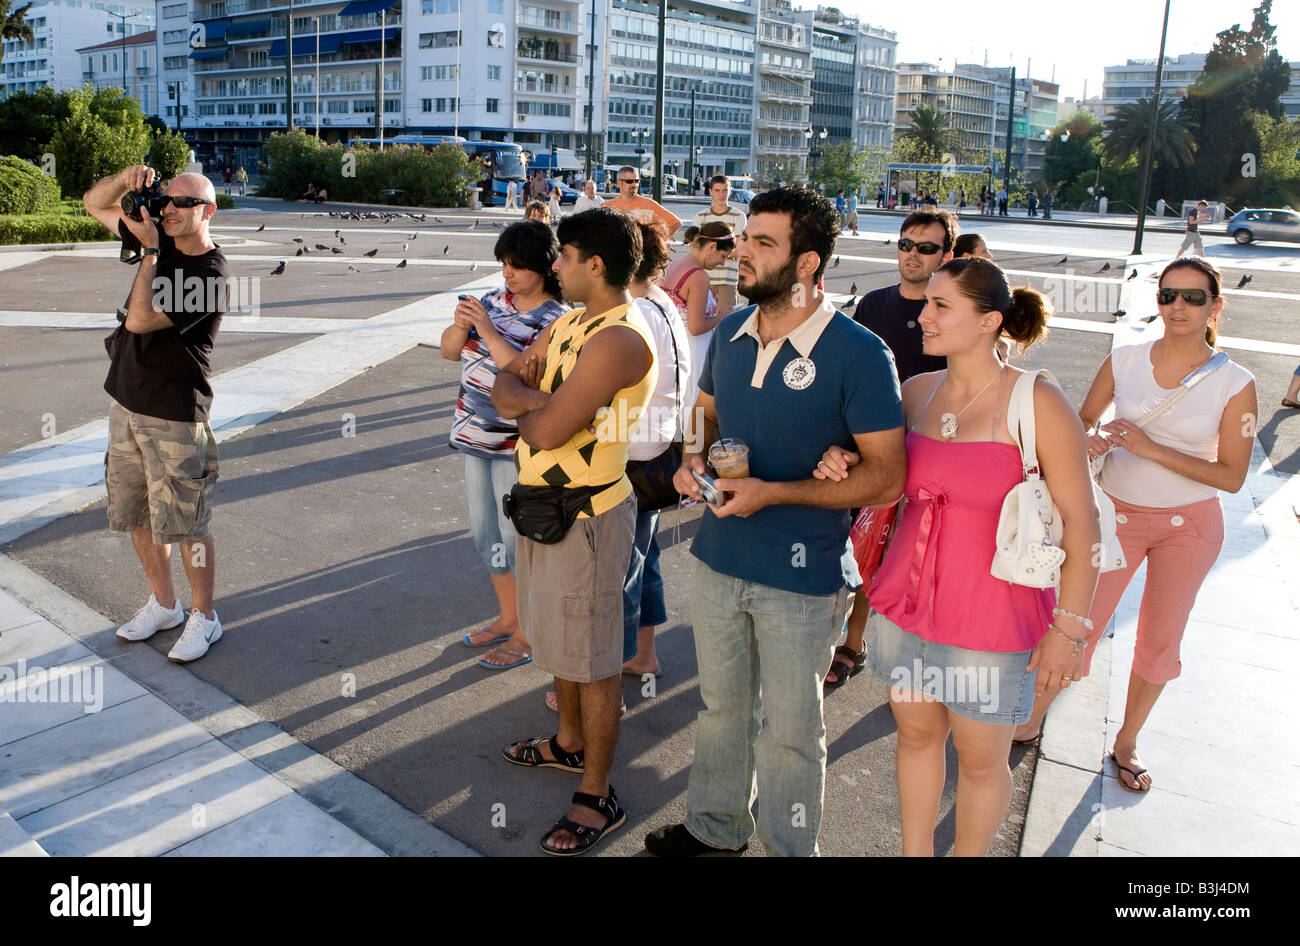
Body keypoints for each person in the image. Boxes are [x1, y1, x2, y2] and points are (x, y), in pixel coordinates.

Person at [643, 188, 907, 857]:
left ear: (808, 262)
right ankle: (715, 830)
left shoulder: (859, 353)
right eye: (744, 238)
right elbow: (704, 412)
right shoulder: (732, 334)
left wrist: (773, 493)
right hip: (719, 559)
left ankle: (791, 850)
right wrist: (692, 460)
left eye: (763, 243)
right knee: (722, 711)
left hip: (805, 576)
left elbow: (889, 476)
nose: (742, 252)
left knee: (790, 730)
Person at [818, 256, 1100, 856]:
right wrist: (844, 462)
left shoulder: (1036, 401)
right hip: (907, 607)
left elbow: (1083, 521)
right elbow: (886, 483)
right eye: (927, 303)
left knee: (979, 762)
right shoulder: (917, 391)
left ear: (989, 321)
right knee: (916, 739)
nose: (924, 315)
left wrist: (1069, 631)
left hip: (992, 619)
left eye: (942, 306)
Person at [1013, 258, 1257, 793]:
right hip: (1114, 514)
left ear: (1217, 307)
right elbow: (1076, 423)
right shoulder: (1124, 360)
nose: (1179, 307)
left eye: (1194, 298)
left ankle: (1126, 741)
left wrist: (1150, 448)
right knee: (1079, 621)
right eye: (1169, 295)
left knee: (1159, 638)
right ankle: (1031, 717)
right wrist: (1092, 441)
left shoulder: (1235, 382)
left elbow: (1233, 476)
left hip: (1190, 527)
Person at [494, 208, 655, 855]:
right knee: (557, 640)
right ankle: (566, 744)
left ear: (596, 264)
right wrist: (543, 404)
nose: (553, 264)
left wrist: (538, 408)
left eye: (563, 256)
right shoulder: (568, 324)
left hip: (587, 515)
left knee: (592, 661)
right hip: (543, 507)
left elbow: (544, 428)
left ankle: (596, 795)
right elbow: (505, 392)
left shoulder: (620, 338)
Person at [83, 165, 227, 662]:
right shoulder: (158, 238)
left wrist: (148, 252)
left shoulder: (210, 276)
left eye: (183, 203)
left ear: (207, 211)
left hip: (173, 415)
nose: (169, 209)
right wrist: (125, 179)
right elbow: (94, 204)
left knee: (188, 523)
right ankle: (165, 605)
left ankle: (204, 617)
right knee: (137, 515)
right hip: (126, 401)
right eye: (167, 199)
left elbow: (142, 320)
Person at [831, 209, 954, 688]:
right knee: (852, 543)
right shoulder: (875, 304)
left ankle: (855, 643)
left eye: (926, 248)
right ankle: (832, 637)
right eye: (906, 244)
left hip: (927, 452)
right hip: (863, 446)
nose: (913, 255)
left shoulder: (952, 313)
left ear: (946, 256)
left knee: (896, 554)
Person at [441, 221, 568, 672]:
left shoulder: (558, 318)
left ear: (545, 267)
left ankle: (528, 633)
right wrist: (461, 326)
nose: (507, 274)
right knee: (484, 535)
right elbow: (449, 352)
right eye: (504, 265)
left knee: (518, 541)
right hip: (473, 434)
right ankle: (509, 617)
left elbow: (522, 368)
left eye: (517, 266)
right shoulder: (492, 301)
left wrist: (487, 330)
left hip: (515, 443)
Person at [622, 221, 692, 677]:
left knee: (620, 568)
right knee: (643, 559)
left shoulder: (637, 313)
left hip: (635, 455)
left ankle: (612, 662)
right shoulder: (662, 303)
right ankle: (642, 655)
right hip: (662, 448)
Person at [663, 222, 736, 413]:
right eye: (723, 256)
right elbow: (696, 326)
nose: (721, 263)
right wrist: (721, 316)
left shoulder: (676, 264)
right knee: (694, 403)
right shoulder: (699, 277)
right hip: (694, 349)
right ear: (711, 247)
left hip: (676, 345)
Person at [692, 175, 747, 315]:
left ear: (730, 191)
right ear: (710, 191)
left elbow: (738, 248)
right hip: (703, 278)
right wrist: (726, 251)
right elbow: (695, 248)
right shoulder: (701, 216)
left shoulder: (739, 216)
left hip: (727, 280)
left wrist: (709, 252)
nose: (721, 194)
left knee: (726, 323)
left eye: (724, 190)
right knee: (703, 320)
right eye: (717, 190)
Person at [605, 166, 682, 237]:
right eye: (629, 181)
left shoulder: (649, 204)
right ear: (619, 183)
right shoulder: (606, 207)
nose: (634, 185)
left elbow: (675, 223)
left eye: (637, 181)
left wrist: (659, 242)